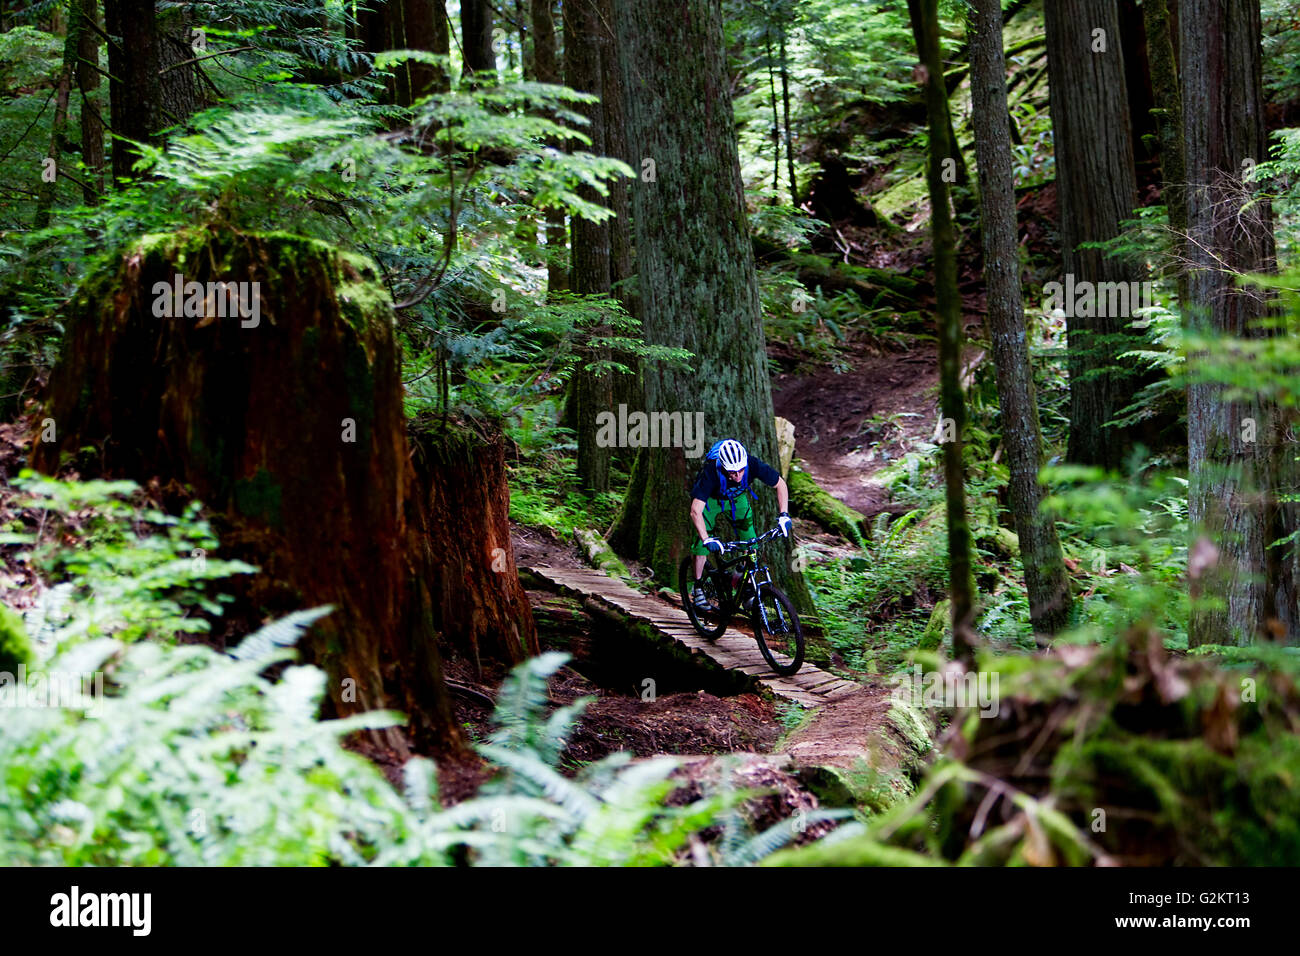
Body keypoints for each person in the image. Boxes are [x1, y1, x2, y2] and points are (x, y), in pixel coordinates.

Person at [688, 438, 792, 610]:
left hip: (737, 499)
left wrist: (784, 515)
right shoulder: (711, 471)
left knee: (751, 543)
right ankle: (698, 586)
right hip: (711, 502)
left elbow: (780, 484)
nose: (737, 476)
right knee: (701, 547)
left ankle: (745, 585)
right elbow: (695, 510)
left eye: (741, 471)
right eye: (732, 472)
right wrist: (707, 539)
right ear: (723, 467)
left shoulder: (752, 464)